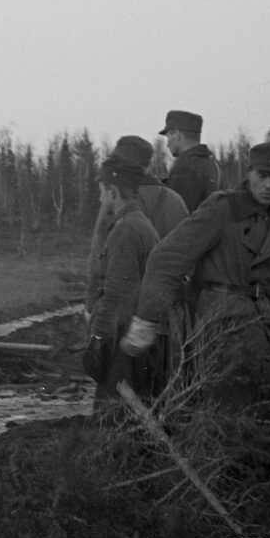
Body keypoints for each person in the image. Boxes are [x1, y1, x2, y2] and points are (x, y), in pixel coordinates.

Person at [121, 142, 270, 411]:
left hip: (269, 326)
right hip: (223, 326)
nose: (268, 185)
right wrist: (147, 318)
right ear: (249, 171)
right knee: (226, 408)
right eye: (261, 175)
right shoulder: (223, 208)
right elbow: (166, 258)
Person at [85, 157, 163, 405]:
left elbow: (116, 295)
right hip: (140, 339)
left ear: (113, 191)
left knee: (112, 419)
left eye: (102, 193)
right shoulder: (143, 224)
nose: (100, 199)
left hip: (124, 344)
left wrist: (98, 339)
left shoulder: (125, 229)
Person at [85, 136, 188, 315]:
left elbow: (99, 257)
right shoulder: (176, 200)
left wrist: (90, 306)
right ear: (147, 165)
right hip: (168, 311)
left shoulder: (117, 200)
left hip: (126, 311)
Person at [158, 110, 223, 213]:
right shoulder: (215, 167)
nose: (167, 144)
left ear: (178, 135)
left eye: (169, 137)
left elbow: (175, 215)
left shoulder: (184, 169)